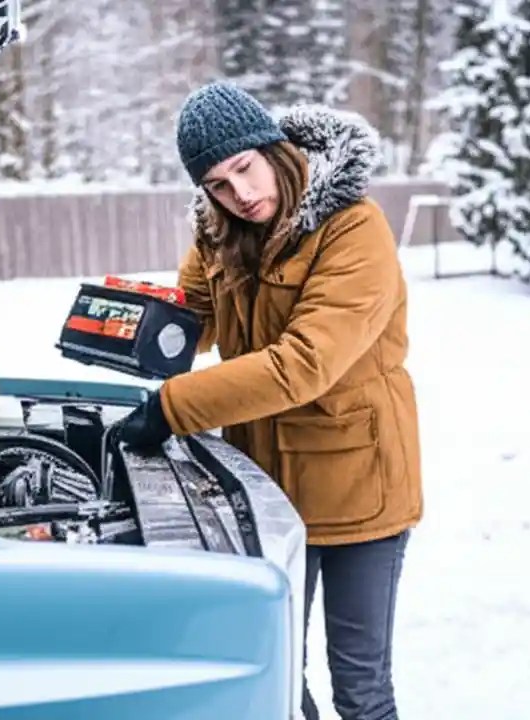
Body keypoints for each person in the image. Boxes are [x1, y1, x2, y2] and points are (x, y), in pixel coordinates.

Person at [117, 81, 422, 720]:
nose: (241, 195)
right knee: (279, 674)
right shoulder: (219, 232)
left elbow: (304, 364)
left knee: (361, 689)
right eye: (218, 186)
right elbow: (193, 319)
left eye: (244, 170)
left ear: (272, 148)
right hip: (267, 488)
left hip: (358, 486)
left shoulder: (353, 228)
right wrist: (126, 331)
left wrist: (171, 407)